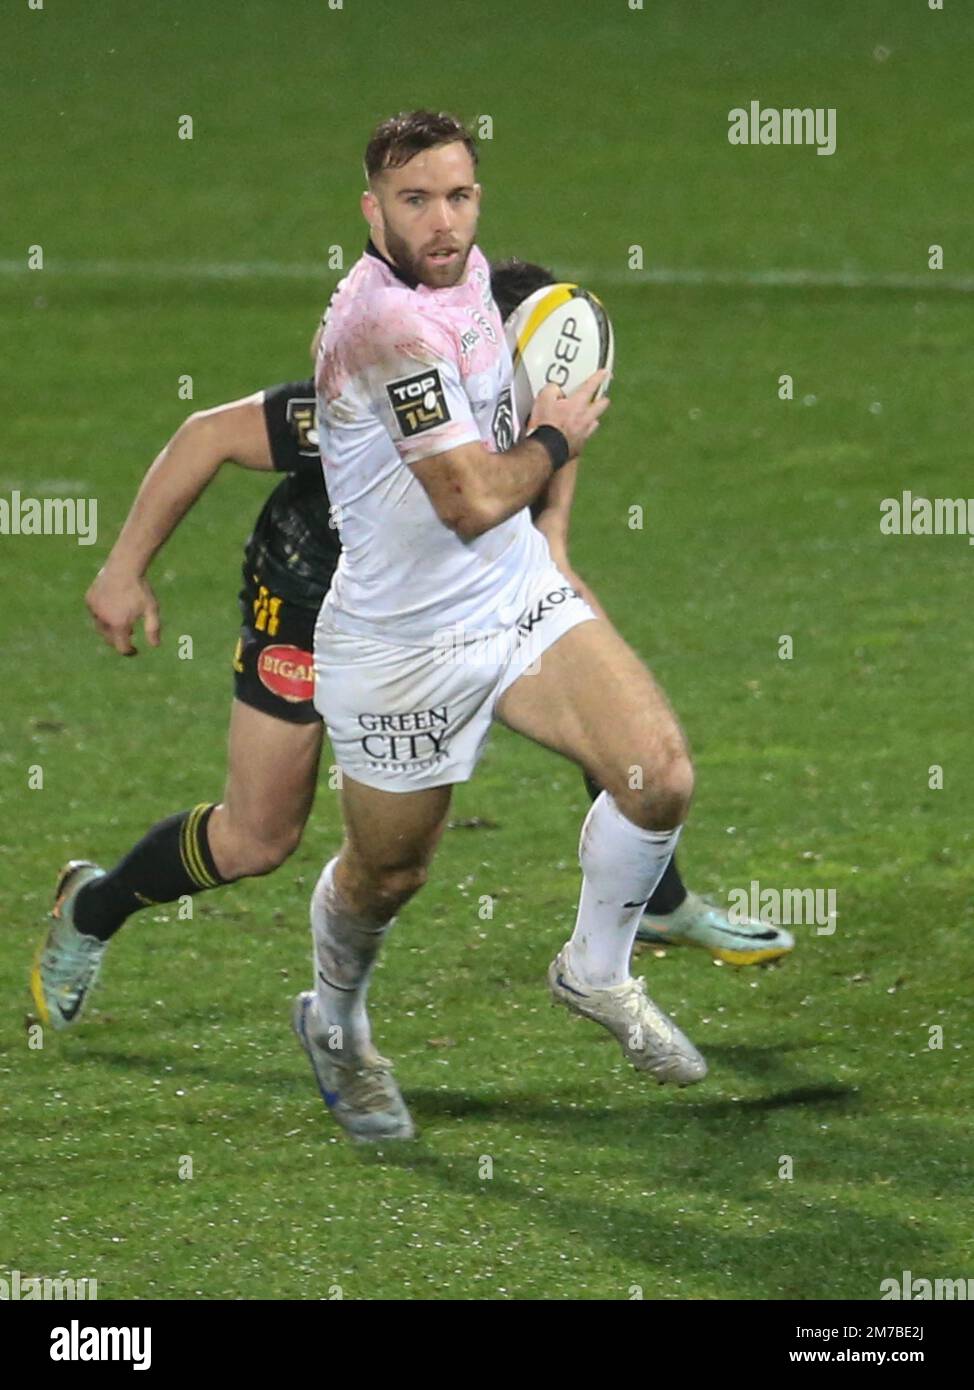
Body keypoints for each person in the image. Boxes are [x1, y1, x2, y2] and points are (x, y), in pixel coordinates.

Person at [30, 260, 790, 1037]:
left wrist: (572, 613)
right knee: (258, 838)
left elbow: (544, 513)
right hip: (304, 602)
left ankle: (656, 907)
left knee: (609, 722)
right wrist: (122, 571)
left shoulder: (539, 406)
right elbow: (208, 435)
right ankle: (94, 908)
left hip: (451, 608)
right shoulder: (385, 399)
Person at [290, 107, 782, 1145]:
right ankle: (334, 1018)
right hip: (400, 642)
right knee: (390, 873)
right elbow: (469, 498)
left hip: (508, 594)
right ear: (370, 207)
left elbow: (508, 414)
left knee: (657, 772)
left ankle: (593, 970)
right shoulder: (382, 327)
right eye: (414, 200)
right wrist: (557, 432)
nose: (441, 221)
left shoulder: (464, 276)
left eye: (458, 196)